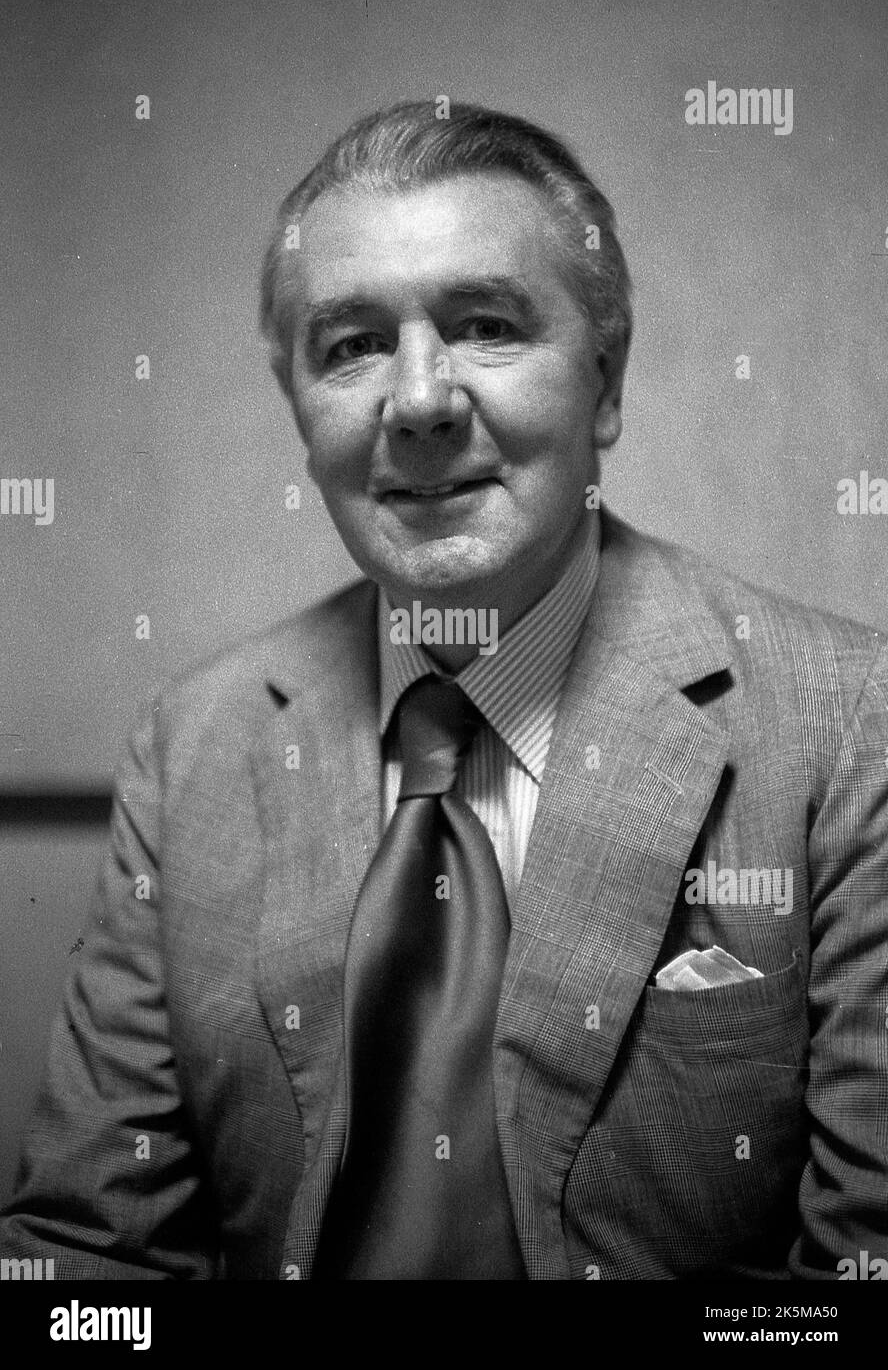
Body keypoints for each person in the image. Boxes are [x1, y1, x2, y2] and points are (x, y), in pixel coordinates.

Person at [1, 100, 886, 1280]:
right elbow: (86, 1259)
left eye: (483, 325)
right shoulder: (194, 746)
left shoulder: (849, 722)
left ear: (607, 382)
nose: (418, 401)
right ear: (299, 408)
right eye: (352, 344)